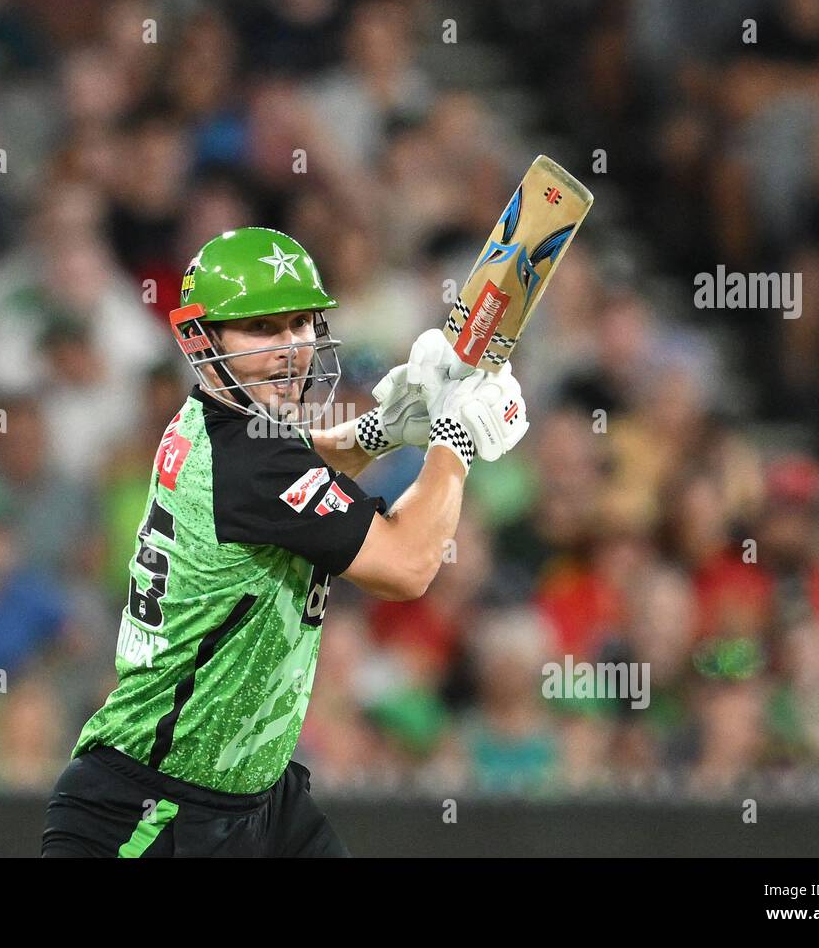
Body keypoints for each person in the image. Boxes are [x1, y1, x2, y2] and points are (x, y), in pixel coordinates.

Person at [41, 227, 528, 857]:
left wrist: (386, 428)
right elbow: (406, 568)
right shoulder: (250, 464)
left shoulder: (215, 423)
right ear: (200, 339)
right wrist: (455, 444)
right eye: (262, 330)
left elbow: (298, 467)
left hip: (255, 803)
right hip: (151, 812)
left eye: (300, 323)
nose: (292, 349)